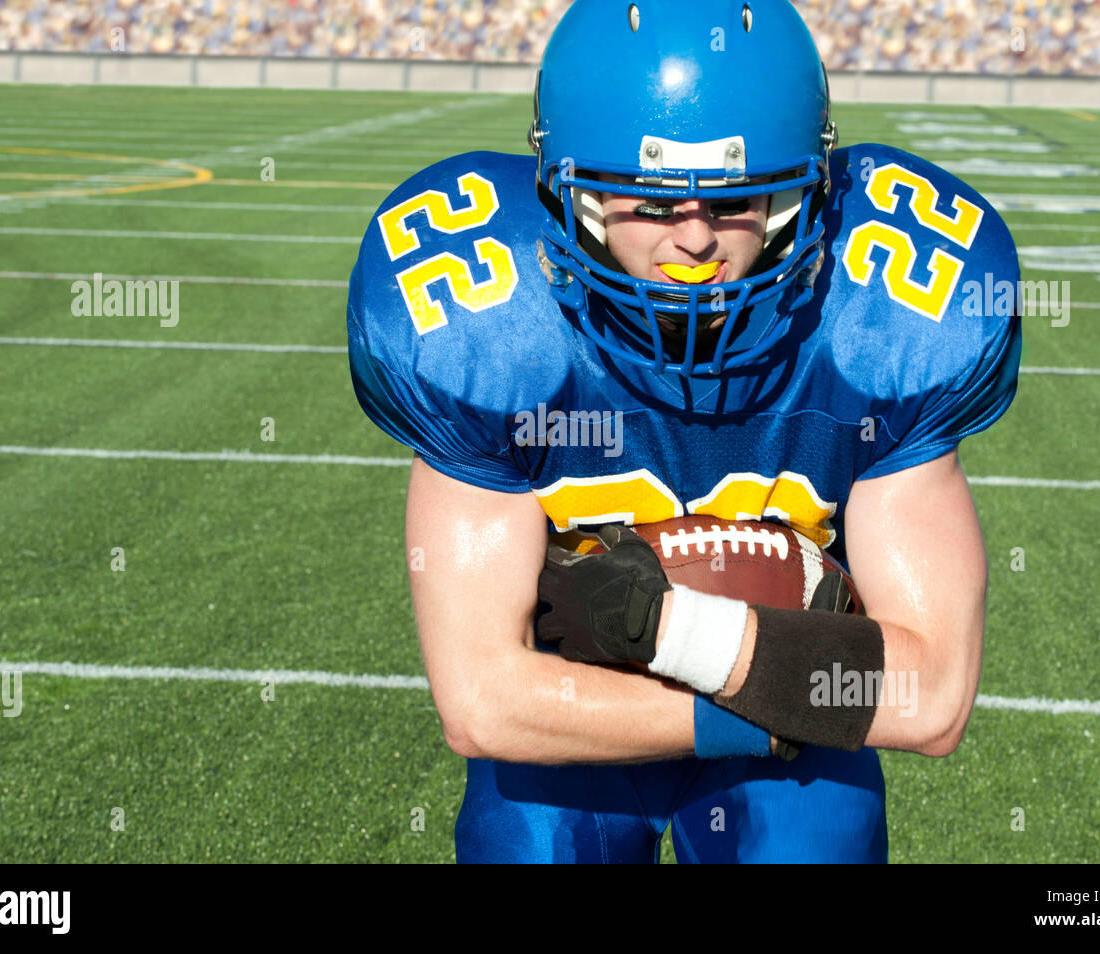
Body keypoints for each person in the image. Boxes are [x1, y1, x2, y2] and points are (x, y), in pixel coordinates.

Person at [346, 0, 1020, 863]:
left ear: (805, 184)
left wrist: (662, 632)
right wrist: (769, 700)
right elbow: (483, 697)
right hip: (590, 722)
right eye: (652, 201)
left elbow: (929, 696)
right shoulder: (492, 328)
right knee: (533, 842)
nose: (696, 239)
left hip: (779, 749)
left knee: (810, 845)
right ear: (567, 184)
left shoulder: (880, 323)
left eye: (737, 198)